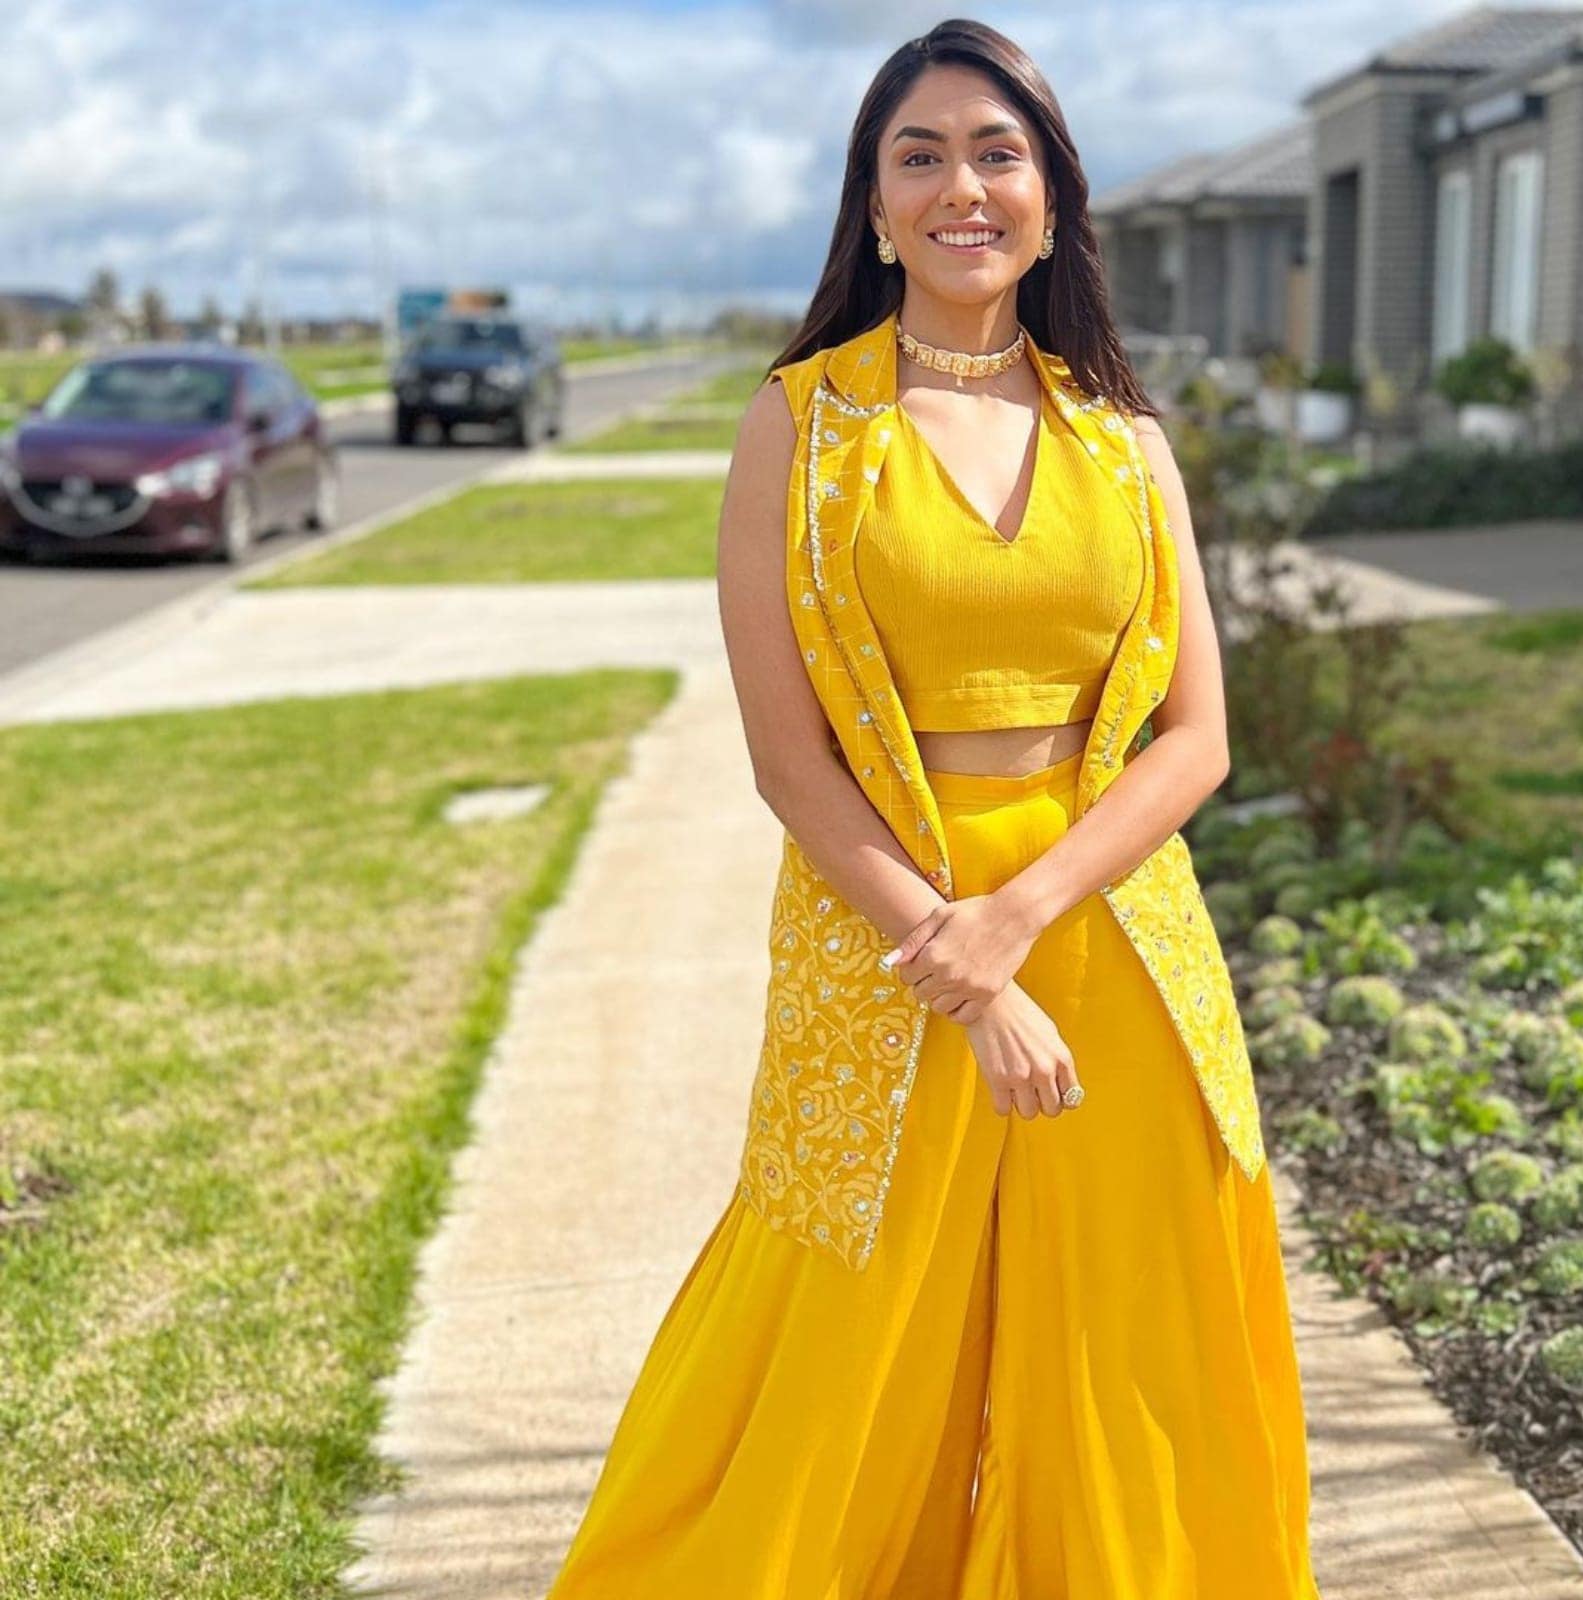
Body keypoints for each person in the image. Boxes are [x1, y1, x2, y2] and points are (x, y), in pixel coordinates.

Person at [544, 17, 1321, 1599]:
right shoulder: (803, 426)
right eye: (922, 156)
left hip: (1113, 941)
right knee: (842, 1330)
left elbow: (1198, 739)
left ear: (1050, 195)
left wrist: (1018, 924)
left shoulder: (1124, 436)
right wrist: (952, 959)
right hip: (880, 940)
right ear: (875, 204)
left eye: (997, 152)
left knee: (1130, 1344)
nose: (962, 186)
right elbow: (789, 759)